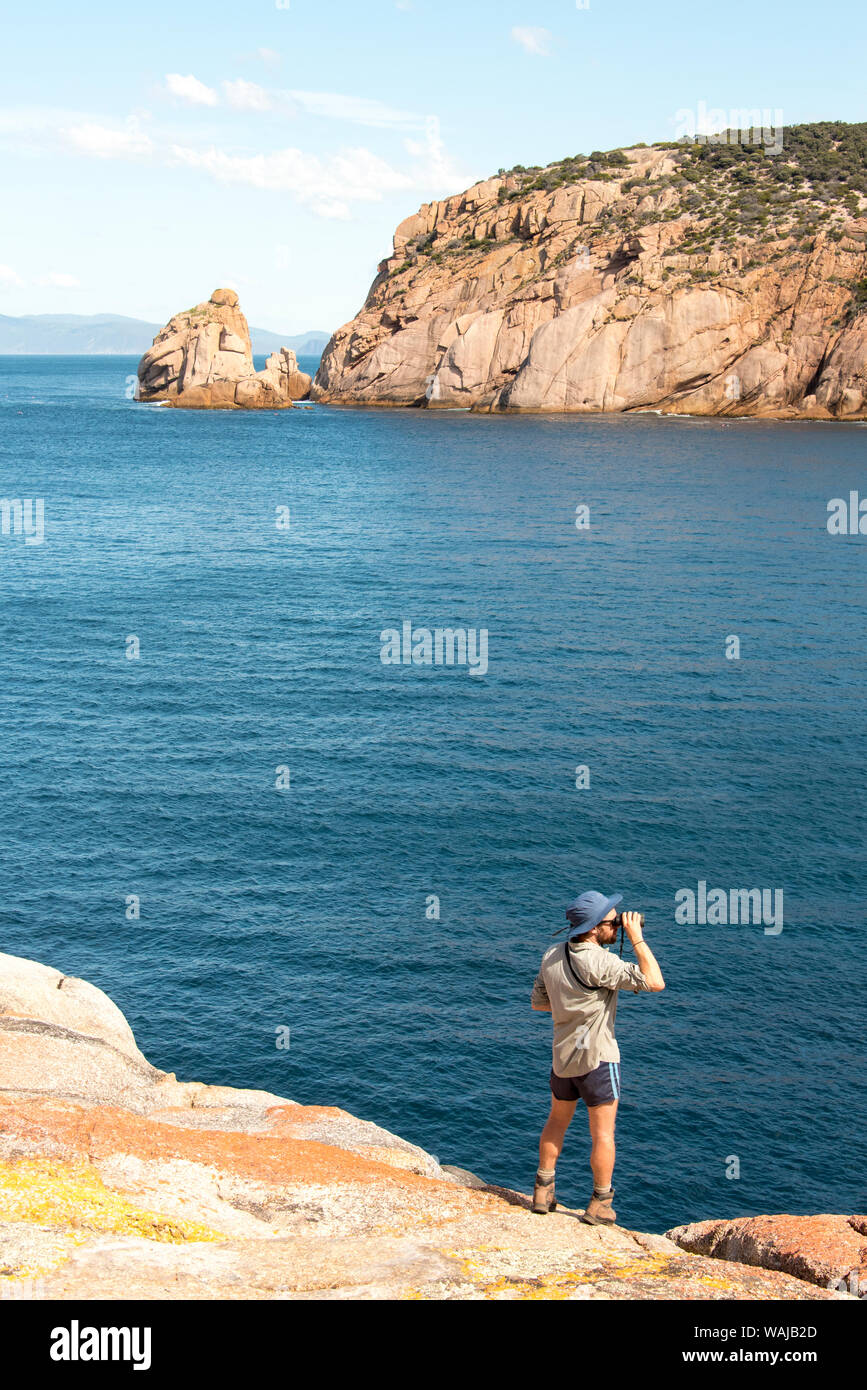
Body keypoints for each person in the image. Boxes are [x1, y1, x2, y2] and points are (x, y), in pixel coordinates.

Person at [530, 890, 665, 1224]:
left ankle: (542, 1191)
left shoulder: (551, 955)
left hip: (563, 1058)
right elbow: (655, 982)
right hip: (598, 1059)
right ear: (593, 928)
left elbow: (538, 1002)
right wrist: (637, 939)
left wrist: (569, 1006)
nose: (616, 926)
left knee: (556, 1121)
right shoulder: (603, 961)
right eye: (612, 922)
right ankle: (600, 1202)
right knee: (603, 1134)